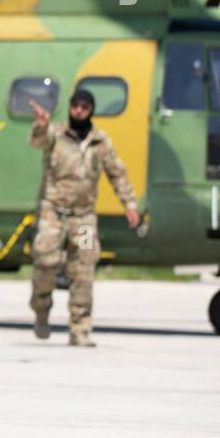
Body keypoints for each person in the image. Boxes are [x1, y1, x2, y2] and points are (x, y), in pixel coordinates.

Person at [28, 89, 139, 346]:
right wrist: (40, 126)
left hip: (84, 217)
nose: (79, 110)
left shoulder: (101, 142)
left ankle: (80, 329)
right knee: (45, 262)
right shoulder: (55, 134)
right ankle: (41, 311)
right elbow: (37, 142)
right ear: (70, 107)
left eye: (84, 106)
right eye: (75, 105)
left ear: (91, 110)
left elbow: (117, 173)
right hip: (52, 211)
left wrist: (129, 204)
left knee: (84, 271)